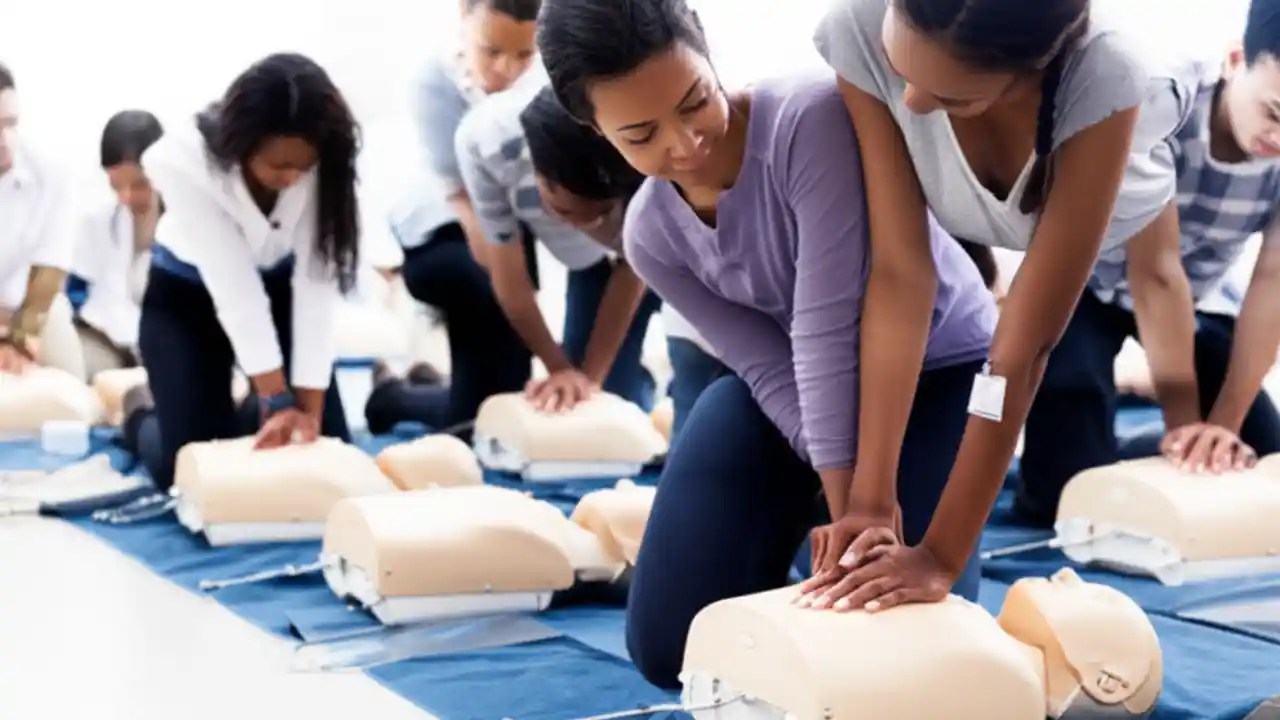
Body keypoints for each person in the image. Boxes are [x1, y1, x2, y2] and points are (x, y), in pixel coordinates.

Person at [536, 0, 997, 688]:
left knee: (919, 630)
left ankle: (831, 515)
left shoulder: (808, 118)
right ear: (593, 127)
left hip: (938, 369)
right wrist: (836, 485)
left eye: (695, 100)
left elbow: (827, 318)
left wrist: (861, 513)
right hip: (802, 390)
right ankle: (809, 521)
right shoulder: (651, 235)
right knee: (670, 647)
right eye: (641, 134)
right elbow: (762, 362)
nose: (686, 142)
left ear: (704, 44)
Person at [807, 0, 1181, 609]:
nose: (914, 106)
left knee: (1066, 413)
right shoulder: (857, 25)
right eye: (902, 73)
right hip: (977, 221)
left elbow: (1020, 349)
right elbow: (902, 274)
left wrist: (939, 557)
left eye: (952, 98)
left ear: (1030, 73)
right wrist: (871, 500)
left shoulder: (1103, 71)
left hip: (1135, 205)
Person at [1014, 0, 1280, 526]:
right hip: (1091, 285)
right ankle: (1125, 391)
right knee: (1061, 493)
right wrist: (1183, 431)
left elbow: (1273, 281)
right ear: (1234, 61)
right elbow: (1155, 273)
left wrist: (1220, 427)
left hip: (1195, 299)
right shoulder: (1162, 97)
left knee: (1258, 448)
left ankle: (1139, 397)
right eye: (1275, 113)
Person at [133, 53, 359, 490]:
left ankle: (244, 412)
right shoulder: (181, 159)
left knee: (324, 451)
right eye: (278, 166)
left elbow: (315, 285)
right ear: (242, 146)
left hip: (279, 293)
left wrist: (308, 412)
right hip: (186, 301)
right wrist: (276, 399)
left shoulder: (327, 160)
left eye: (302, 166)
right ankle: (139, 413)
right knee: (188, 469)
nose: (292, 178)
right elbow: (233, 285)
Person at [368, 0, 542, 434]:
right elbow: (465, 198)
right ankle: (390, 398)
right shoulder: (434, 77)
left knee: (506, 397)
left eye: (524, 55)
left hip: (507, 228)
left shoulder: (541, 81)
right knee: (474, 420)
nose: (508, 68)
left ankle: (427, 384)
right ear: (466, 16)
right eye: (494, 52)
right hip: (439, 235)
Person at [455, 78, 663, 413]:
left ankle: (640, 383)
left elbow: (632, 269)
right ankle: (392, 396)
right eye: (568, 212)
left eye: (599, 214)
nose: (585, 226)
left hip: (643, 256)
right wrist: (559, 368)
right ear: (541, 178)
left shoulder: (639, 163)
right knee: (562, 395)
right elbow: (509, 277)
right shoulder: (487, 144)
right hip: (570, 241)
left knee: (607, 394)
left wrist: (592, 380)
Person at [0, 61, 84, 380]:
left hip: (34, 310)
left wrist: (19, 339)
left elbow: (50, 270)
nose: (4, 140)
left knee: (70, 379)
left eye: (10, 123)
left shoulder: (51, 174)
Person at [70, 110, 164, 378]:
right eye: (116, 186)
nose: (126, 197)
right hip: (107, 339)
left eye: (139, 185)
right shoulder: (96, 222)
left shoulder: (192, 225)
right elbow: (76, 291)